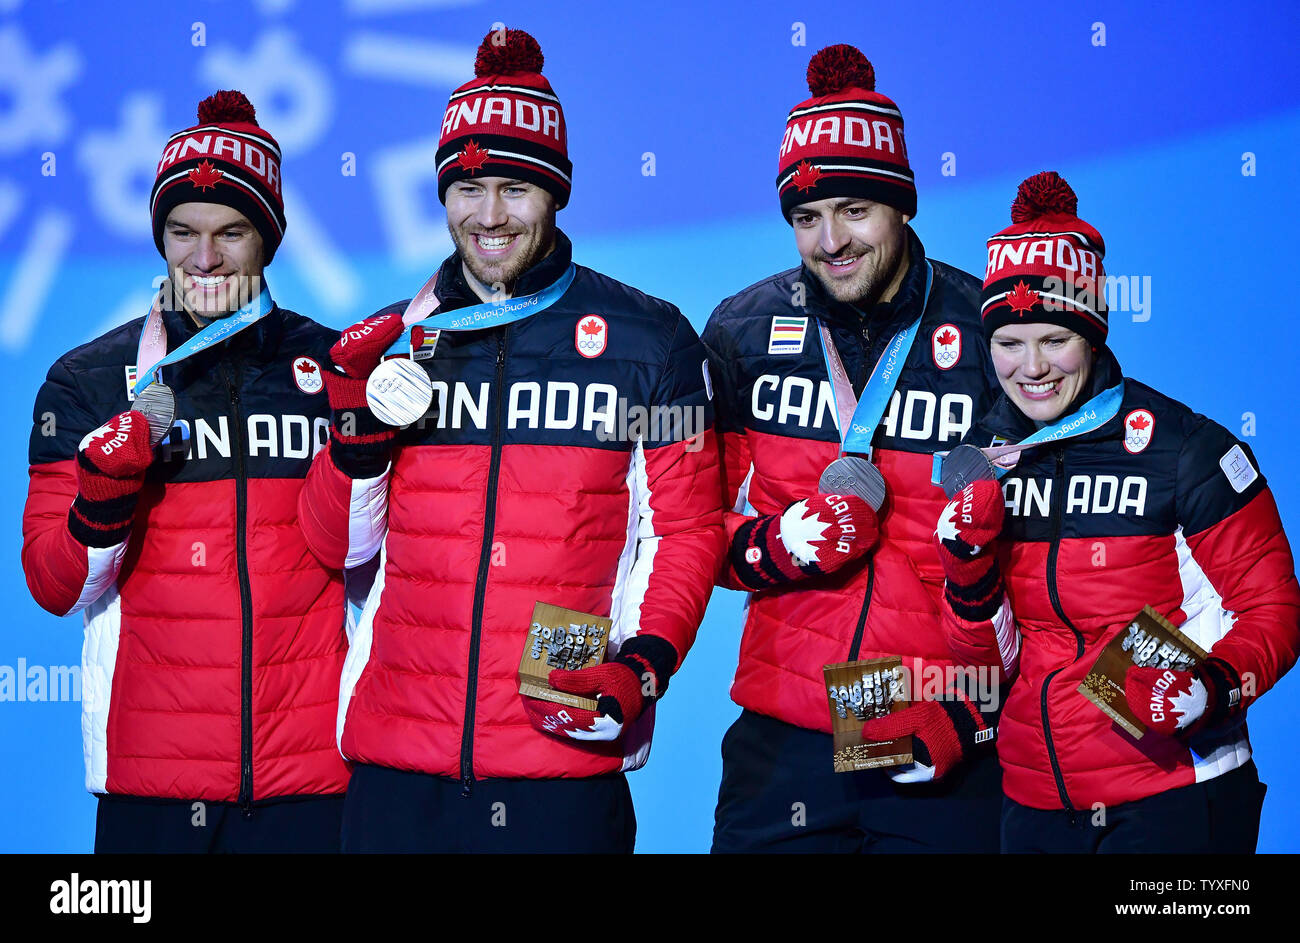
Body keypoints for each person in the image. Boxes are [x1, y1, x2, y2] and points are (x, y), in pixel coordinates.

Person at [298, 28, 724, 854]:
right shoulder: (397, 342)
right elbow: (339, 549)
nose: (489, 216)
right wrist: (353, 433)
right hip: (397, 765)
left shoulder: (651, 339)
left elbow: (686, 530)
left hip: (560, 762)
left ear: (557, 192)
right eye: (468, 187)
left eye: (516, 188)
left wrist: (641, 663)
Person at [21, 91, 351, 852]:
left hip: (314, 785)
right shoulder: (87, 380)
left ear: (268, 239)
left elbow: (363, 552)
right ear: (160, 235)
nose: (204, 259)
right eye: (183, 232)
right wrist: (103, 500)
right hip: (152, 792)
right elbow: (53, 584)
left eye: (231, 232)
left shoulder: (333, 370)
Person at [940, 170, 1300, 852]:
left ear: (1095, 333)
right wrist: (968, 573)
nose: (1032, 367)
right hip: (1036, 803)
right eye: (1009, 343)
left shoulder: (1185, 447)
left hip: (1177, 796)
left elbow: (1275, 607)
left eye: (1055, 339)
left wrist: (1212, 686)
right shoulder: (982, 460)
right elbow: (989, 661)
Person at [702, 44, 1005, 853]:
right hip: (783, 745)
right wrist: (781, 545)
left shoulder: (994, 339)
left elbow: (1052, 570)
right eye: (806, 218)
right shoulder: (743, 330)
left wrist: (974, 708)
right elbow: (687, 531)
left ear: (902, 204)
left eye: (854, 211)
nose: (830, 240)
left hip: (942, 739)